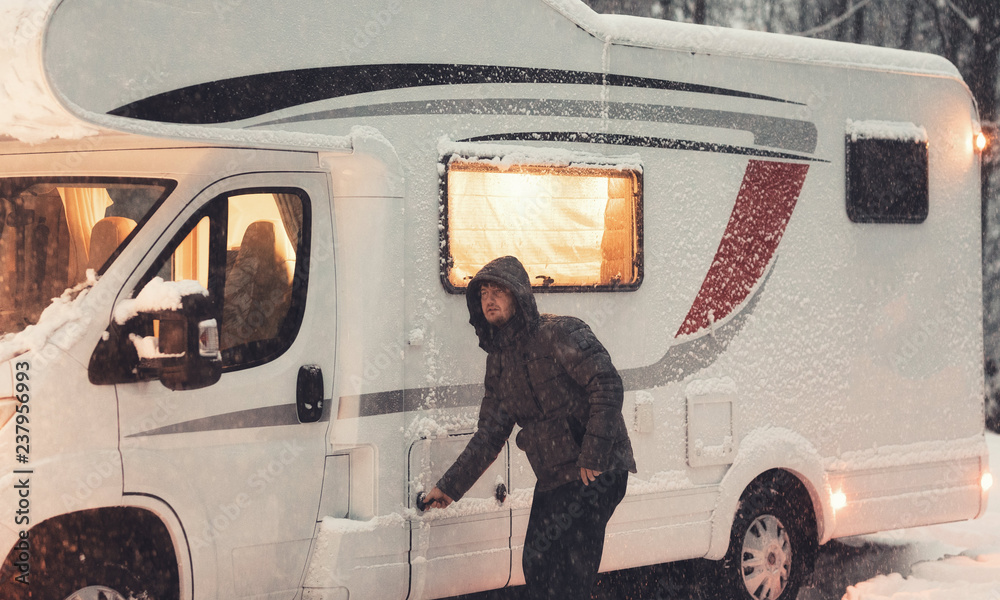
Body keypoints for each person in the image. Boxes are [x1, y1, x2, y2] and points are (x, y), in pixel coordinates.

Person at [422, 255, 636, 600]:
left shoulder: (559, 332)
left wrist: (593, 454)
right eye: (483, 294)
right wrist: (450, 487)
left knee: (569, 571)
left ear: (519, 296)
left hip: (598, 469)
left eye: (498, 292)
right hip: (555, 474)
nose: (488, 300)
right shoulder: (499, 359)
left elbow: (607, 385)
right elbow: (491, 432)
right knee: (537, 562)